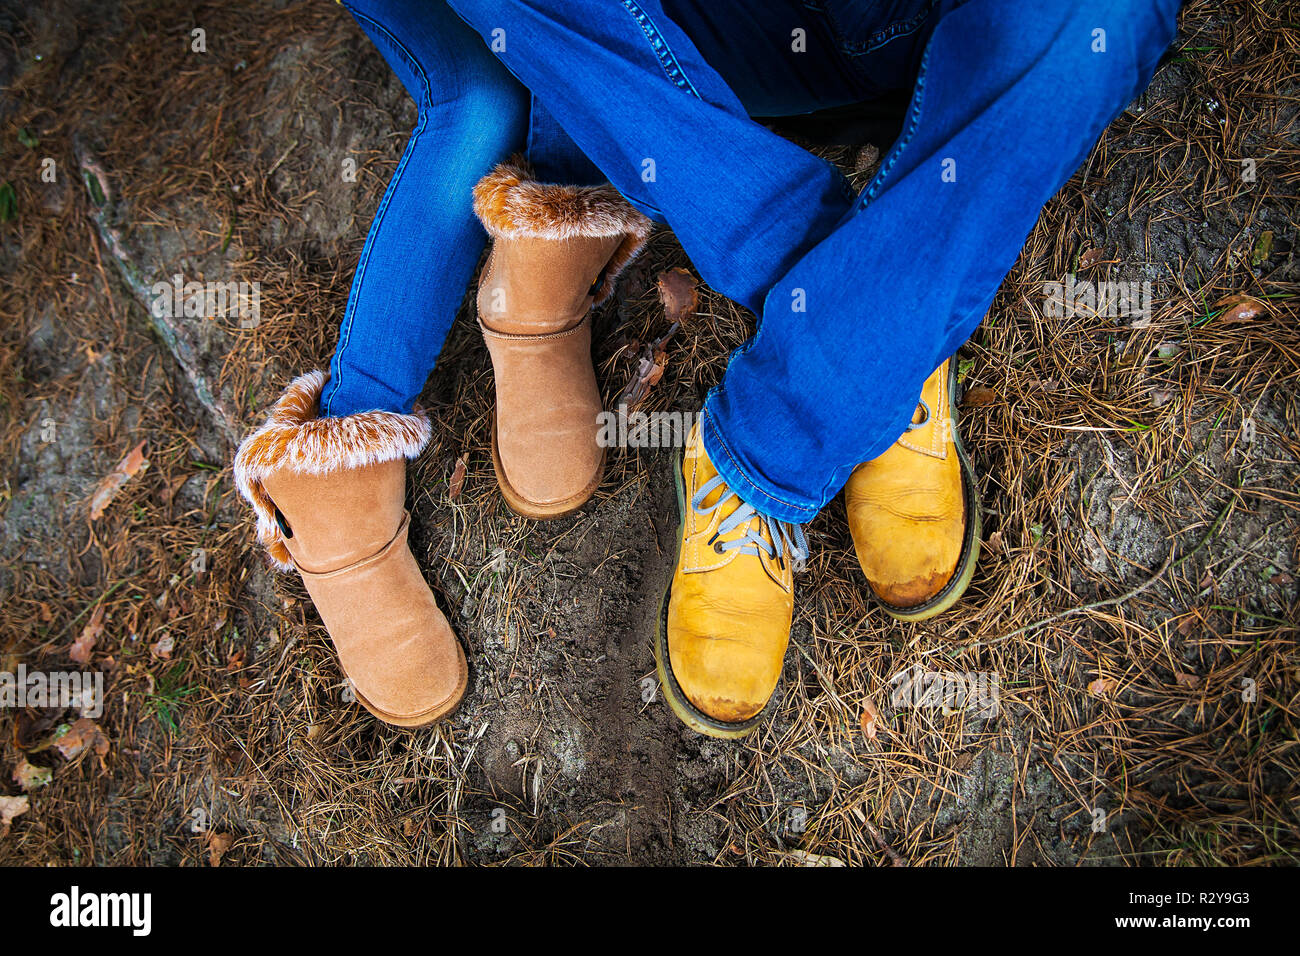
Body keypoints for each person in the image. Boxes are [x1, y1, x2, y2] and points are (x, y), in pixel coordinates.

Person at [233, 0, 1180, 735]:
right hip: (696, 28)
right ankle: (863, 315)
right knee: (486, 93)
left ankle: (782, 433)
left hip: (951, 27)